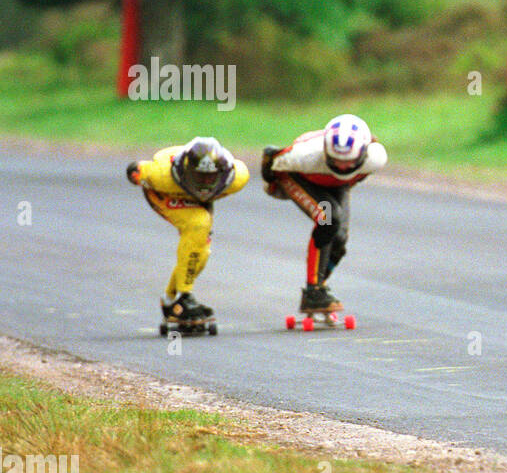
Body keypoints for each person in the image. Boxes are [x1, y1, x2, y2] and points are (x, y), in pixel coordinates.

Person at [260, 114, 387, 314]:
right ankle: (313, 291)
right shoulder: (303, 156)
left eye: (349, 161)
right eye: (336, 159)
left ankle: (319, 288)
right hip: (299, 177)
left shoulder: (376, 158)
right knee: (328, 220)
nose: (342, 166)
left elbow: (353, 177)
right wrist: (273, 184)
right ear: (326, 151)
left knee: (339, 241)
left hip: (339, 185)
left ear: (363, 153)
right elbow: (270, 162)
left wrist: (339, 182)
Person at [126, 137, 248, 327]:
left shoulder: (238, 177)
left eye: (211, 178)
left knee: (201, 253)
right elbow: (135, 170)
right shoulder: (161, 175)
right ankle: (184, 295)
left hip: (199, 203)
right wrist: (136, 173)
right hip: (166, 194)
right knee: (198, 223)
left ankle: (170, 302)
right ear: (184, 171)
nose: (204, 185)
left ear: (223, 174)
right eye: (198, 177)